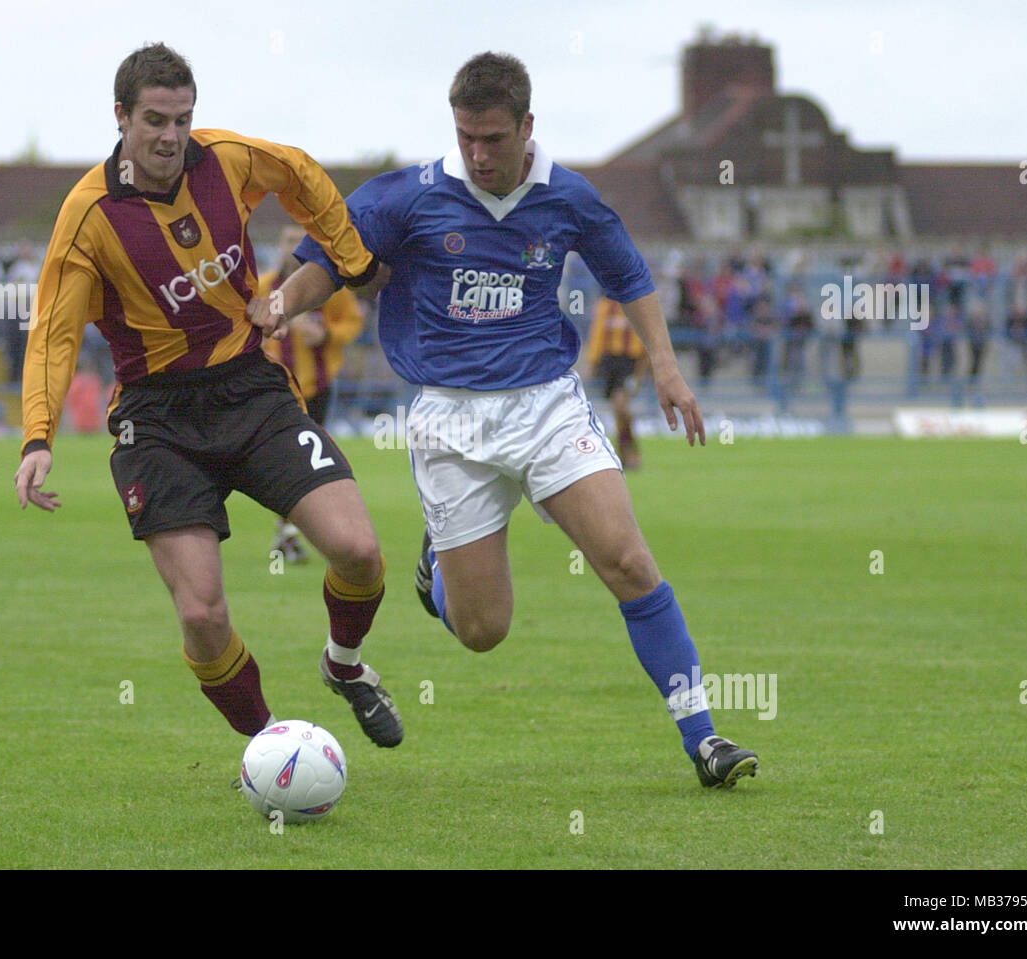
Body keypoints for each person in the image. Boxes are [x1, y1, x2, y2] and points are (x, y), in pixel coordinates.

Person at [279, 52, 757, 788]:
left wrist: (664, 363)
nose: (478, 153)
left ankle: (705, 737)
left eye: (494, 138)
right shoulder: (407, 196)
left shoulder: (568, 196)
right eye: (466, 136)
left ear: (527, 126)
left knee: (628, 561)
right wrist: (275, 306)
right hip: (451, 423)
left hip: (546, 406)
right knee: (482, 632)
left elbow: (628, 274)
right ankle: (437, 566)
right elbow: (327, 261)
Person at [14, 42, 403, 752]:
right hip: (157, 420)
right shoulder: (89, 215)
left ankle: (344, 667)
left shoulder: (225, 158)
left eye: (182, 119)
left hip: (250, 388)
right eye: (155, 120)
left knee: (360, 551)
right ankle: (272, 745)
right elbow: (54, 333)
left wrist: (353, 258)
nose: (170, 136)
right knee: (201, 612)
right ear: (121, 117)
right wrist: (37, 436)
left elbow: (303, 174)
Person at [259, 224, 366, 562]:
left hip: (318, 385)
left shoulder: (329, 287)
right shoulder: (265, 286)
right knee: (288, 455)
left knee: (308, 456)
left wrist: (327, 335)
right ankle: (290, 532)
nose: (293, 248)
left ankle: (290, 532)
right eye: (288, 241)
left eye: (299, 241)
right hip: (276, 385)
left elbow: (352, 322)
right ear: (280, 245)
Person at [583, 296, 648, 469]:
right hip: (608, 362)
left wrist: (640, 372)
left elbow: (644, 339)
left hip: (628, 362)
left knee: (620, 406)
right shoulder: (605, 305)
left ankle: (627, 453)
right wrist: (592, 362)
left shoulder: (635, 304)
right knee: (619, 410)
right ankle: (628, 450)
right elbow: (597, 334)